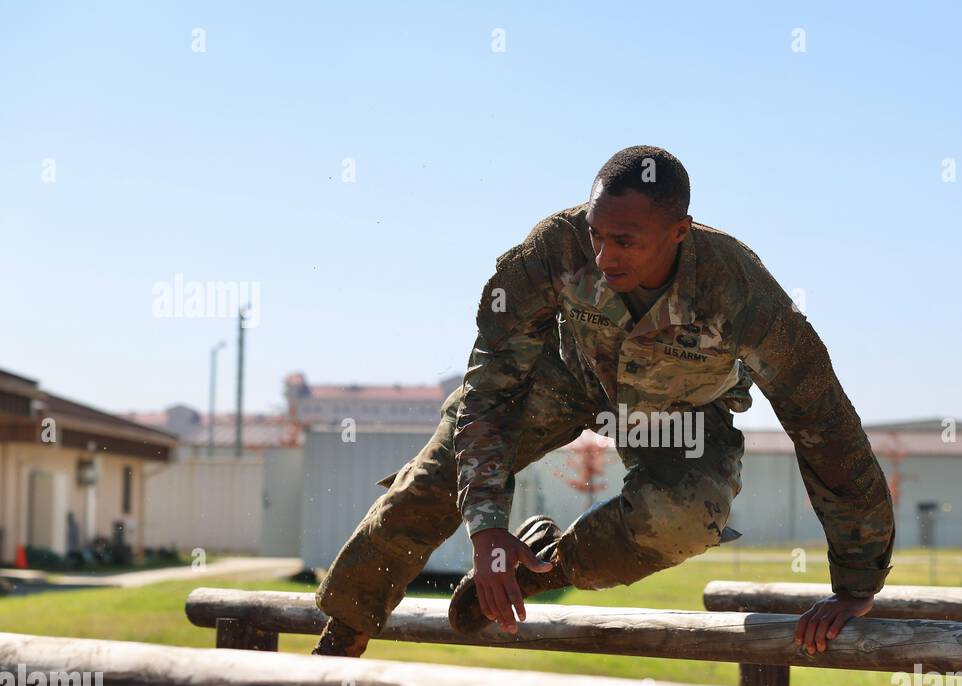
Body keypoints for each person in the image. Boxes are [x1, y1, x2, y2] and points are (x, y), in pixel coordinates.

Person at [311, 145, 896, 659]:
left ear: (680, 232)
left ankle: (548, 567)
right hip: (567, 378)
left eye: (625, 242)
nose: (604, 256)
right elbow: (490, 389)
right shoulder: (551, 251)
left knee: (684, 520)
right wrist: (487, 528)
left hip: (681, 409)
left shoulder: (741, 296)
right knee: (438, 478)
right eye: (596, 234)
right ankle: (343, 633)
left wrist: (855, 584)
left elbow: (826, 428)